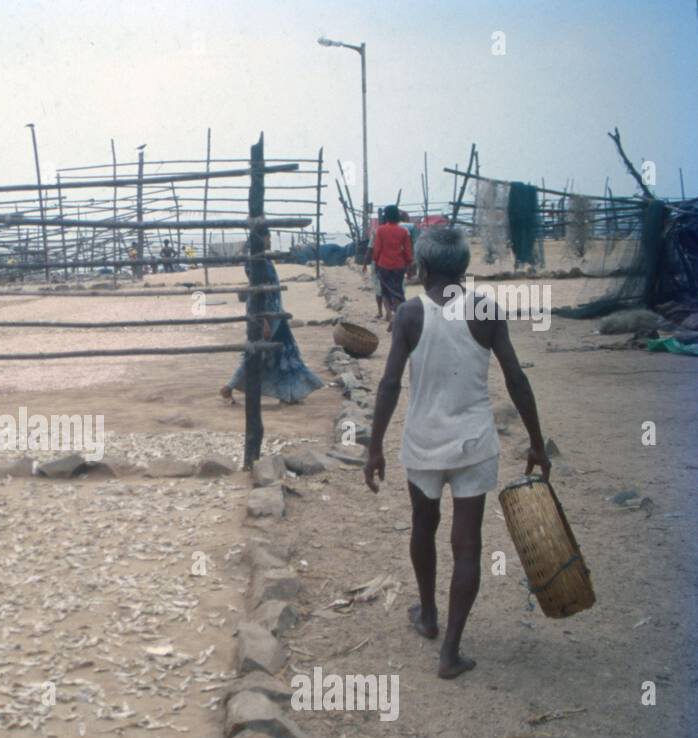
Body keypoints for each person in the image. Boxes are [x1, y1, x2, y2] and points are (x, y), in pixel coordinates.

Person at [364, 225, 550, 680]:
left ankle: (428, 614)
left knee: (423, 528)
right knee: (467, 545)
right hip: (473, 443)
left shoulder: (408, 314)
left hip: (423, 443)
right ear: (465, 268)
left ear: (420, 267)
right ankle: (450, 652)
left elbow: (389, 384)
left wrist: (374, 446)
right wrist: (537, 442)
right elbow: (515, 378)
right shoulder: (486, 309)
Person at [219, 244, 323, 405]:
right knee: (257, 355)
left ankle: (288, 394)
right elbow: (258, 294)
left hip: (276, 315)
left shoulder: (264, 262)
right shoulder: (255, 264)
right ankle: (228, 387)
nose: (268, 240)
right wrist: (264, 323)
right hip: (265, 316)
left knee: (284, 354)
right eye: (266, 236)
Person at [363, 205, 414, 330]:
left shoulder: (380, 230)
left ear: (386, 216)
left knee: (385, 291)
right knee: (397, 291)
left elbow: (377, 249)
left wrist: (376, 262)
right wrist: (408, 265)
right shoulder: (404, 231)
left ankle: (389, 315)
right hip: (399, 265)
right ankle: (397, 315)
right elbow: (408, 251)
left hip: (383, 264)